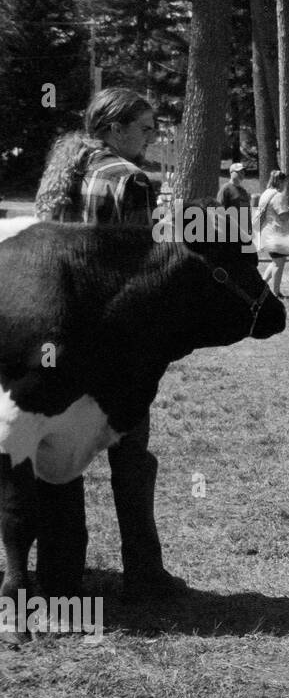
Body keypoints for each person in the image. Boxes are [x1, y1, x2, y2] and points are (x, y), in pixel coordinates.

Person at [32, 86, 186, 599]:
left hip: (58, 338)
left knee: (60, 460)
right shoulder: (130, 179)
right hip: (116, 343)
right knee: (131, 458)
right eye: (144, 128)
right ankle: (143, 573)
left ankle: (61, 578)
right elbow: (139, 269)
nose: (151, 137)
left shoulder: (64, 173)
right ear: (115, 128)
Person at [255, 170, 289, 298]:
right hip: (276, 233)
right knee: (279, 263)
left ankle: (261, 285)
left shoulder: (266, 193)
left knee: (276, 261)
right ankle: (276, 292)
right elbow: (284, 217)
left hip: (267, 232)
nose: (286, 184)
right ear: (281, 181)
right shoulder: (279, 195)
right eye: (285, 181)